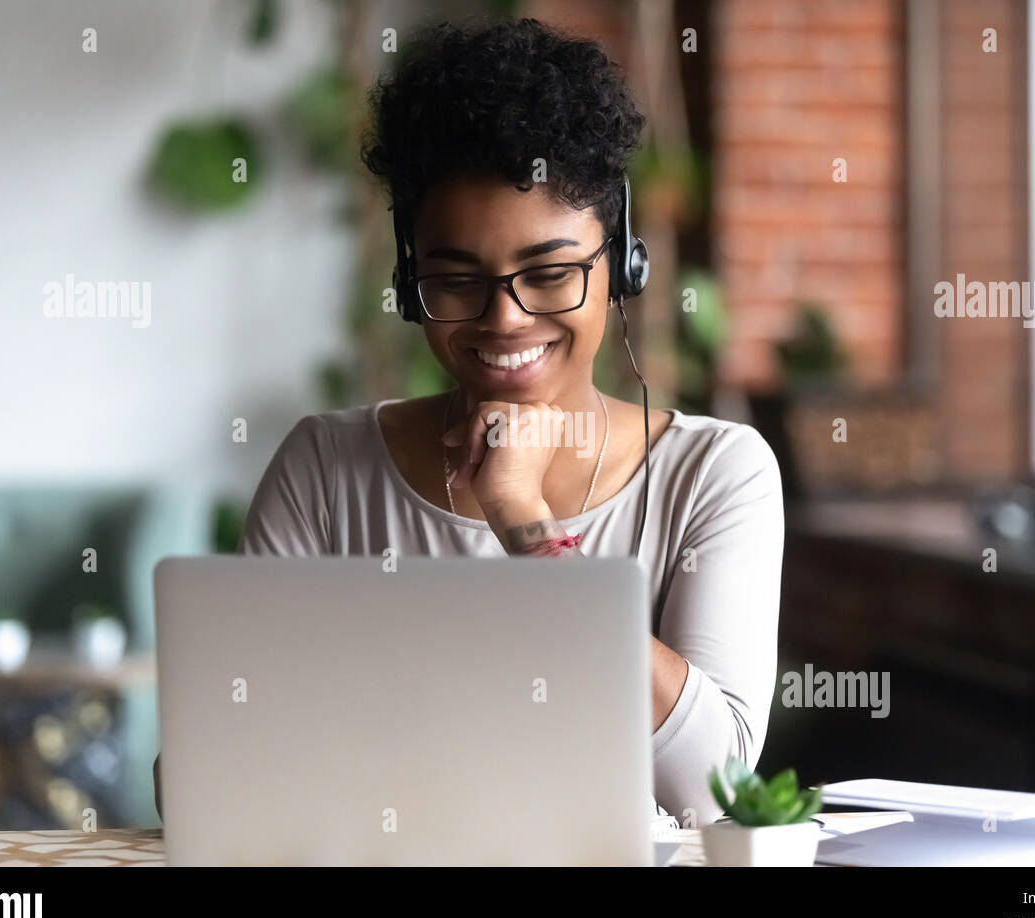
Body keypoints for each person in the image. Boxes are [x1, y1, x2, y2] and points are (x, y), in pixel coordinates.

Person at [156, 16, 783, 826]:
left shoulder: (714, 474)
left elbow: (714, 789)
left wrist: (524, 522)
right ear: (410, 276)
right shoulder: (324, 469)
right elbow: (203, 789)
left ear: (622, 262)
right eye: (456, 282)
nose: (505, 320)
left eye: (550, 274)